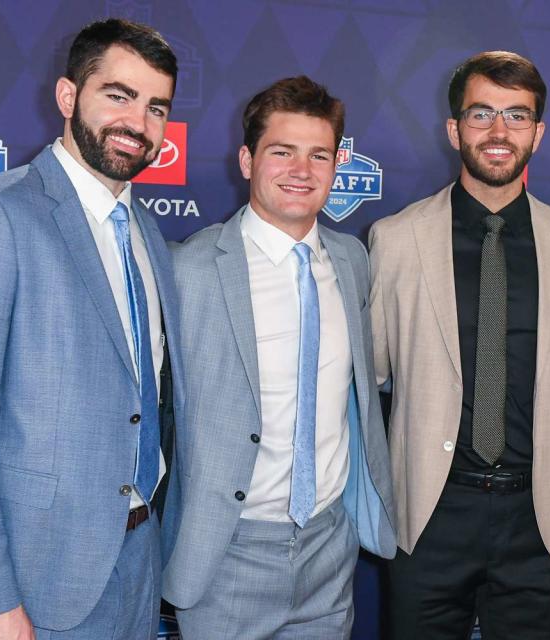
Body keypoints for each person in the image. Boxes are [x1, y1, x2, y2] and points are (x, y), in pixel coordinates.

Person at [0, 18, 182, 640]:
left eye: (155, 107)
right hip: (34, 578)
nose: (137, 123)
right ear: (68, 97)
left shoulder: (148, 235)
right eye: (118, 95)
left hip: (141, 559)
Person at [369, 50, 550, 639]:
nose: (499, 131)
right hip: (429, 512)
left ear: (538, 133)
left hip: (538, 517)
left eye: (517, 116)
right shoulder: (395, 240)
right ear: (454, 129)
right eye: (481, 114)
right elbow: (366, 375)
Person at [160, 75, 396, 639]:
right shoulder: (190, 269)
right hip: (228, 550)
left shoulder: (351, 259)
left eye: (320, 155)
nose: (302, 170)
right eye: (281, 151)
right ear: (246, 160)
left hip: (327, 546)